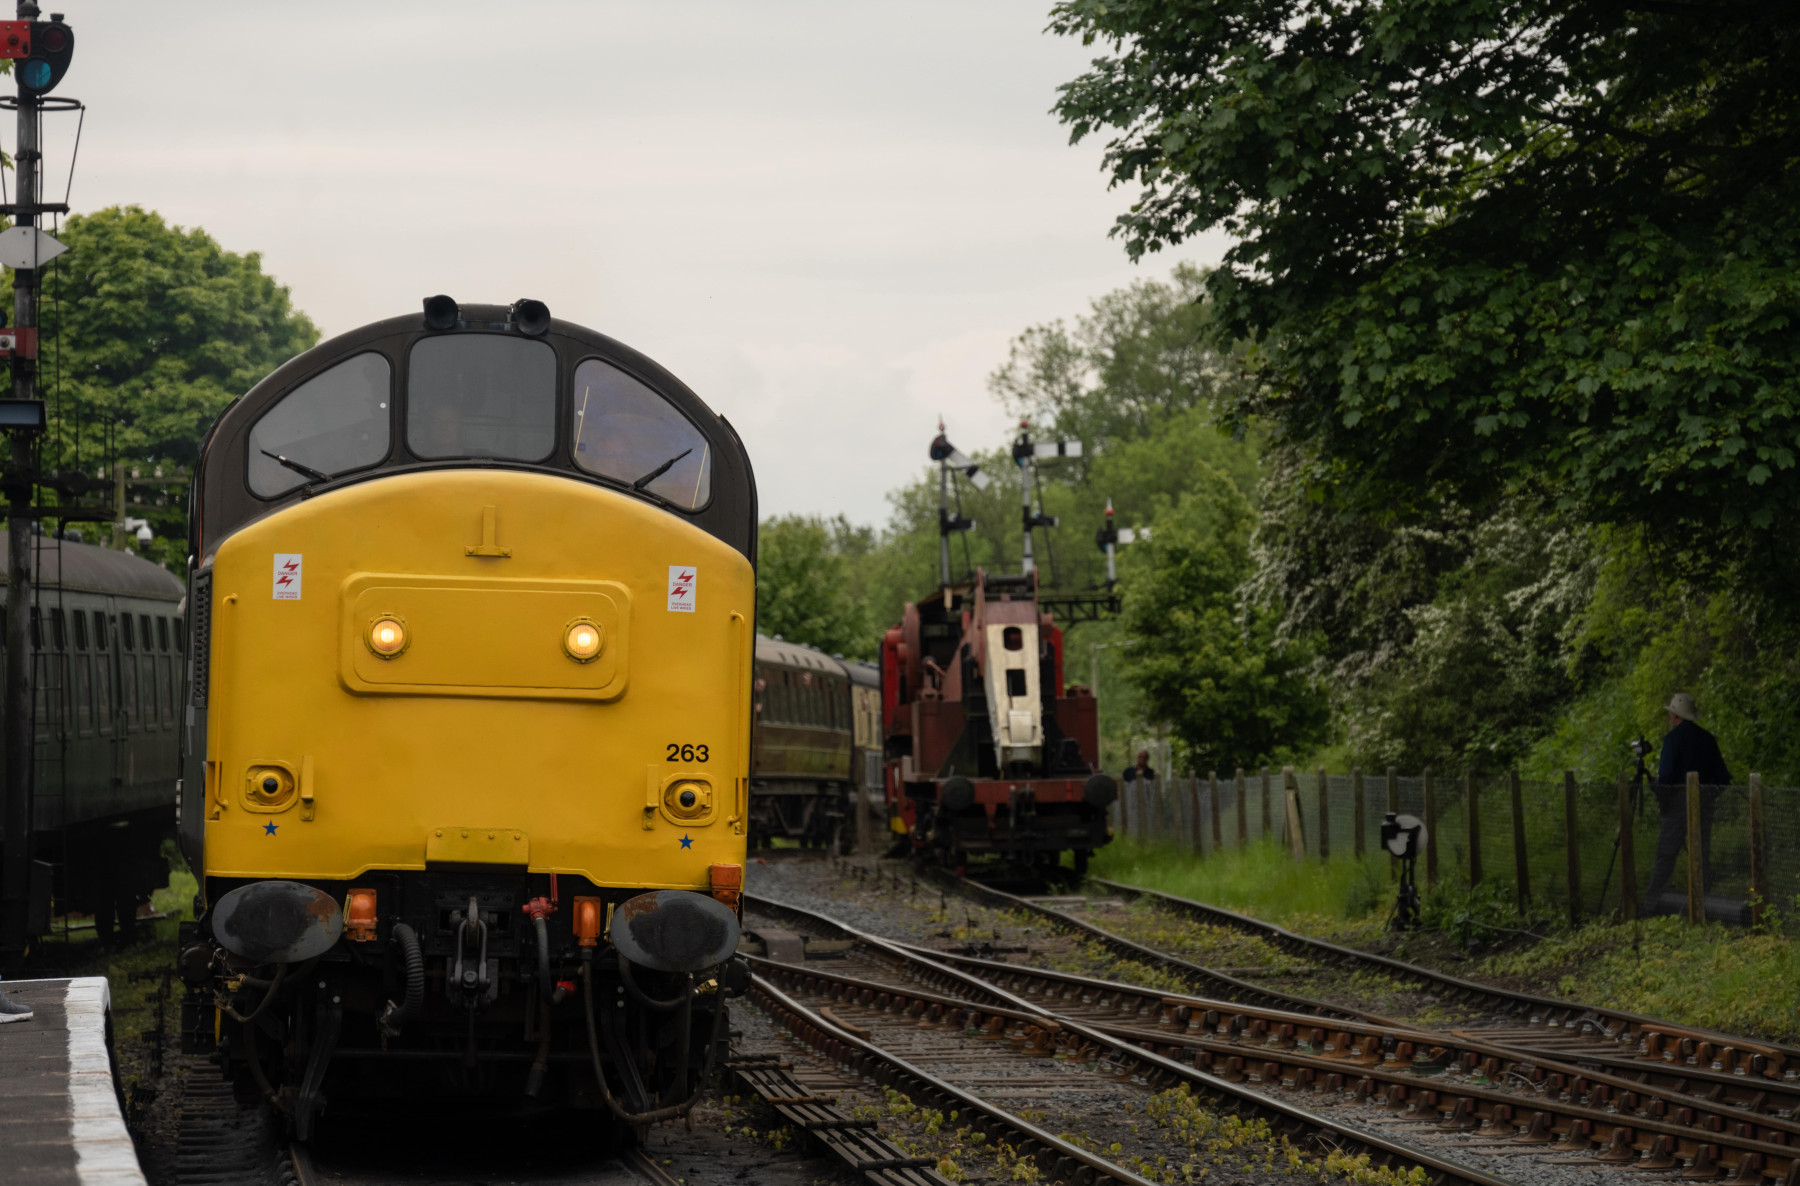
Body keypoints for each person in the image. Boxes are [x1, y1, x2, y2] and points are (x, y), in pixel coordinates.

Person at [1641, 692, 1732, 913]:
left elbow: (1667, 775)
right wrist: (1708, 794)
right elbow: (1723, 778)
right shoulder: (1708, 739)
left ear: (1675, 715)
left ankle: (1649, 905)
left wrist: (1658, 789)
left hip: (1678, 803)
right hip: (1705, 800)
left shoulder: (1673, 739)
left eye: (1671, 714)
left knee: (1666, 853)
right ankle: (1705, 905)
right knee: (1701, 853)